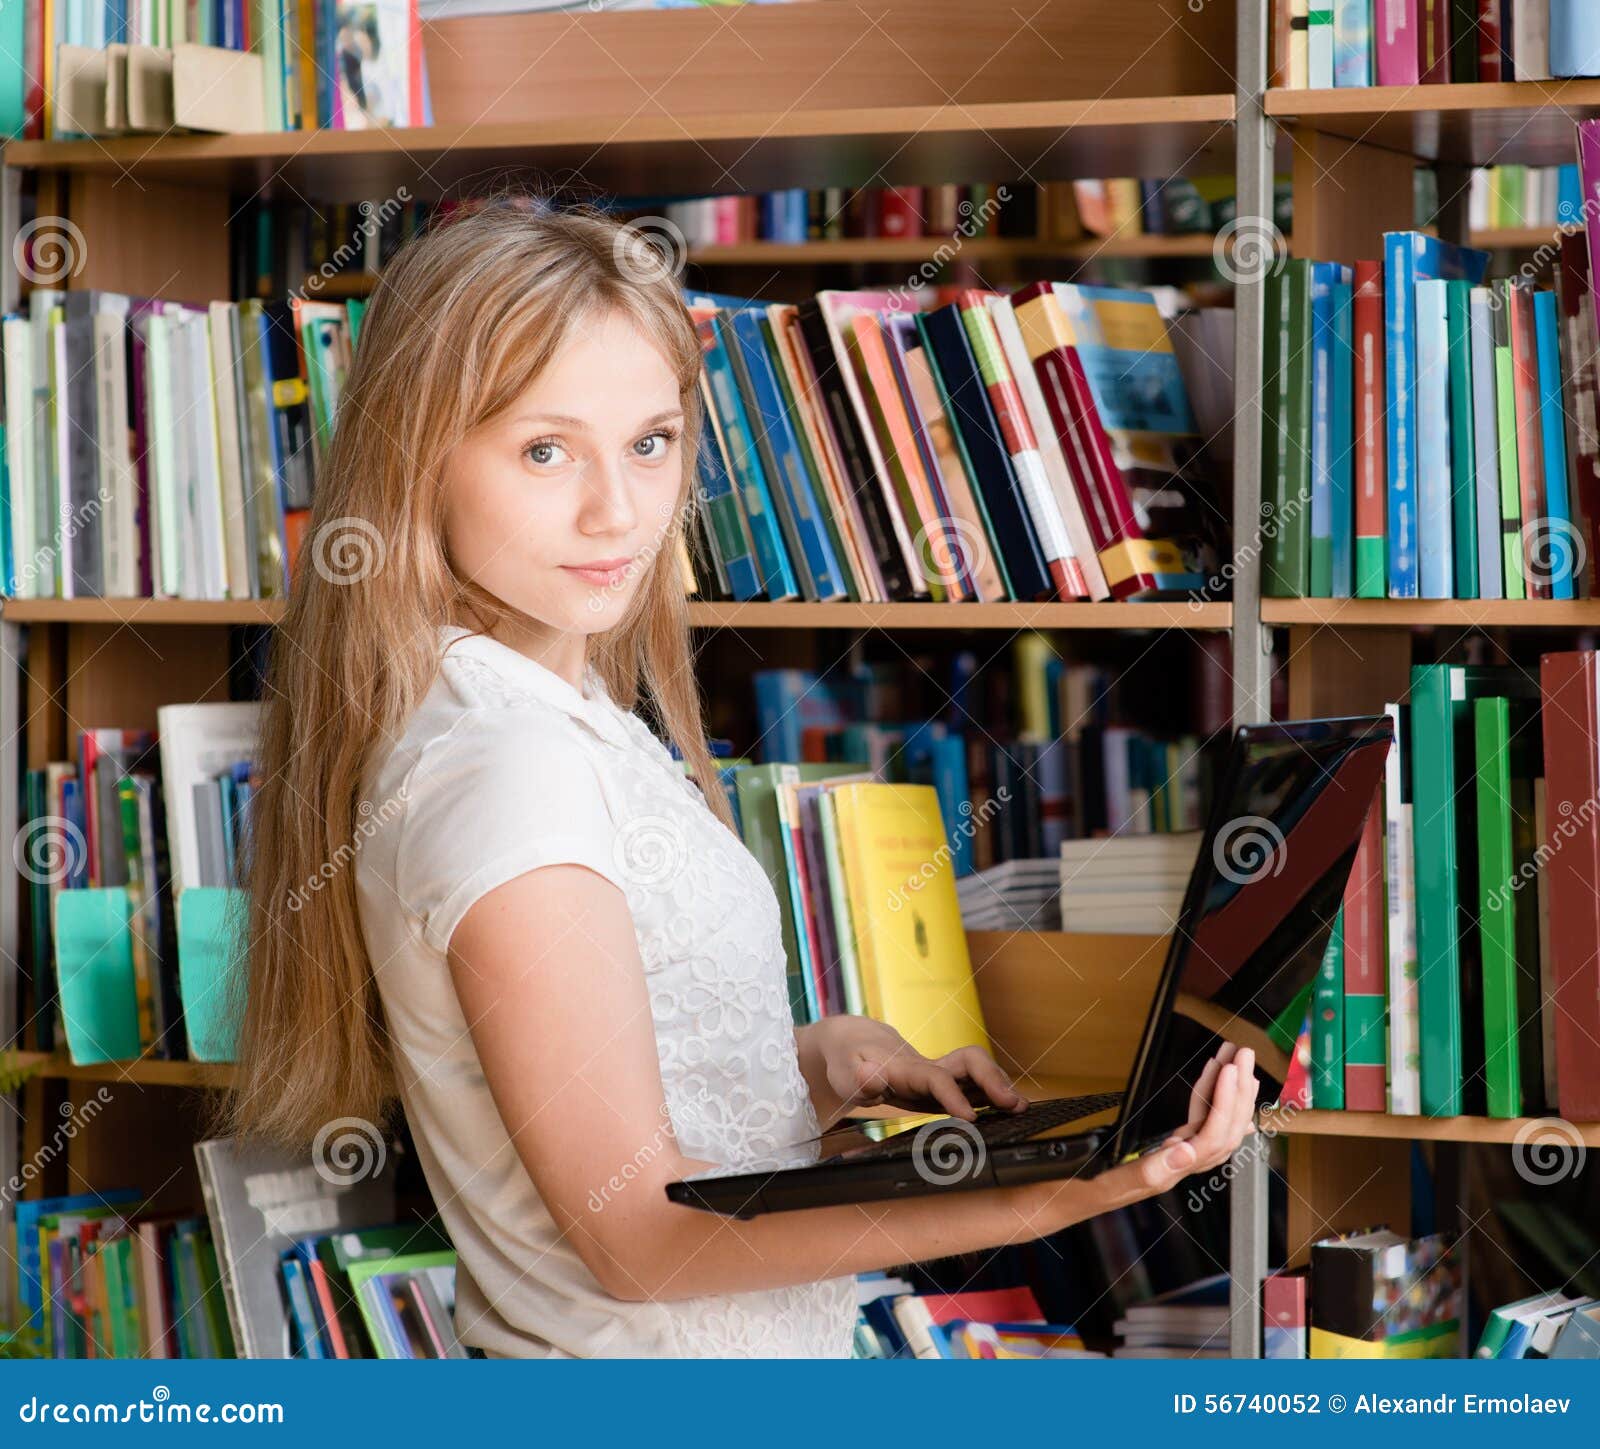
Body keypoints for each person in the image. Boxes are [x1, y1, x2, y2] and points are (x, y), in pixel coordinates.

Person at [223, 200, 1260, 1359]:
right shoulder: (507, 766)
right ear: (417, 458)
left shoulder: (560, 716)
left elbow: (621, 1111)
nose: (617, 510)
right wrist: (1060, 1194)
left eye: (650, 442)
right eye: (544, 450)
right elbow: (640, 1242)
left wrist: (810, 1069)